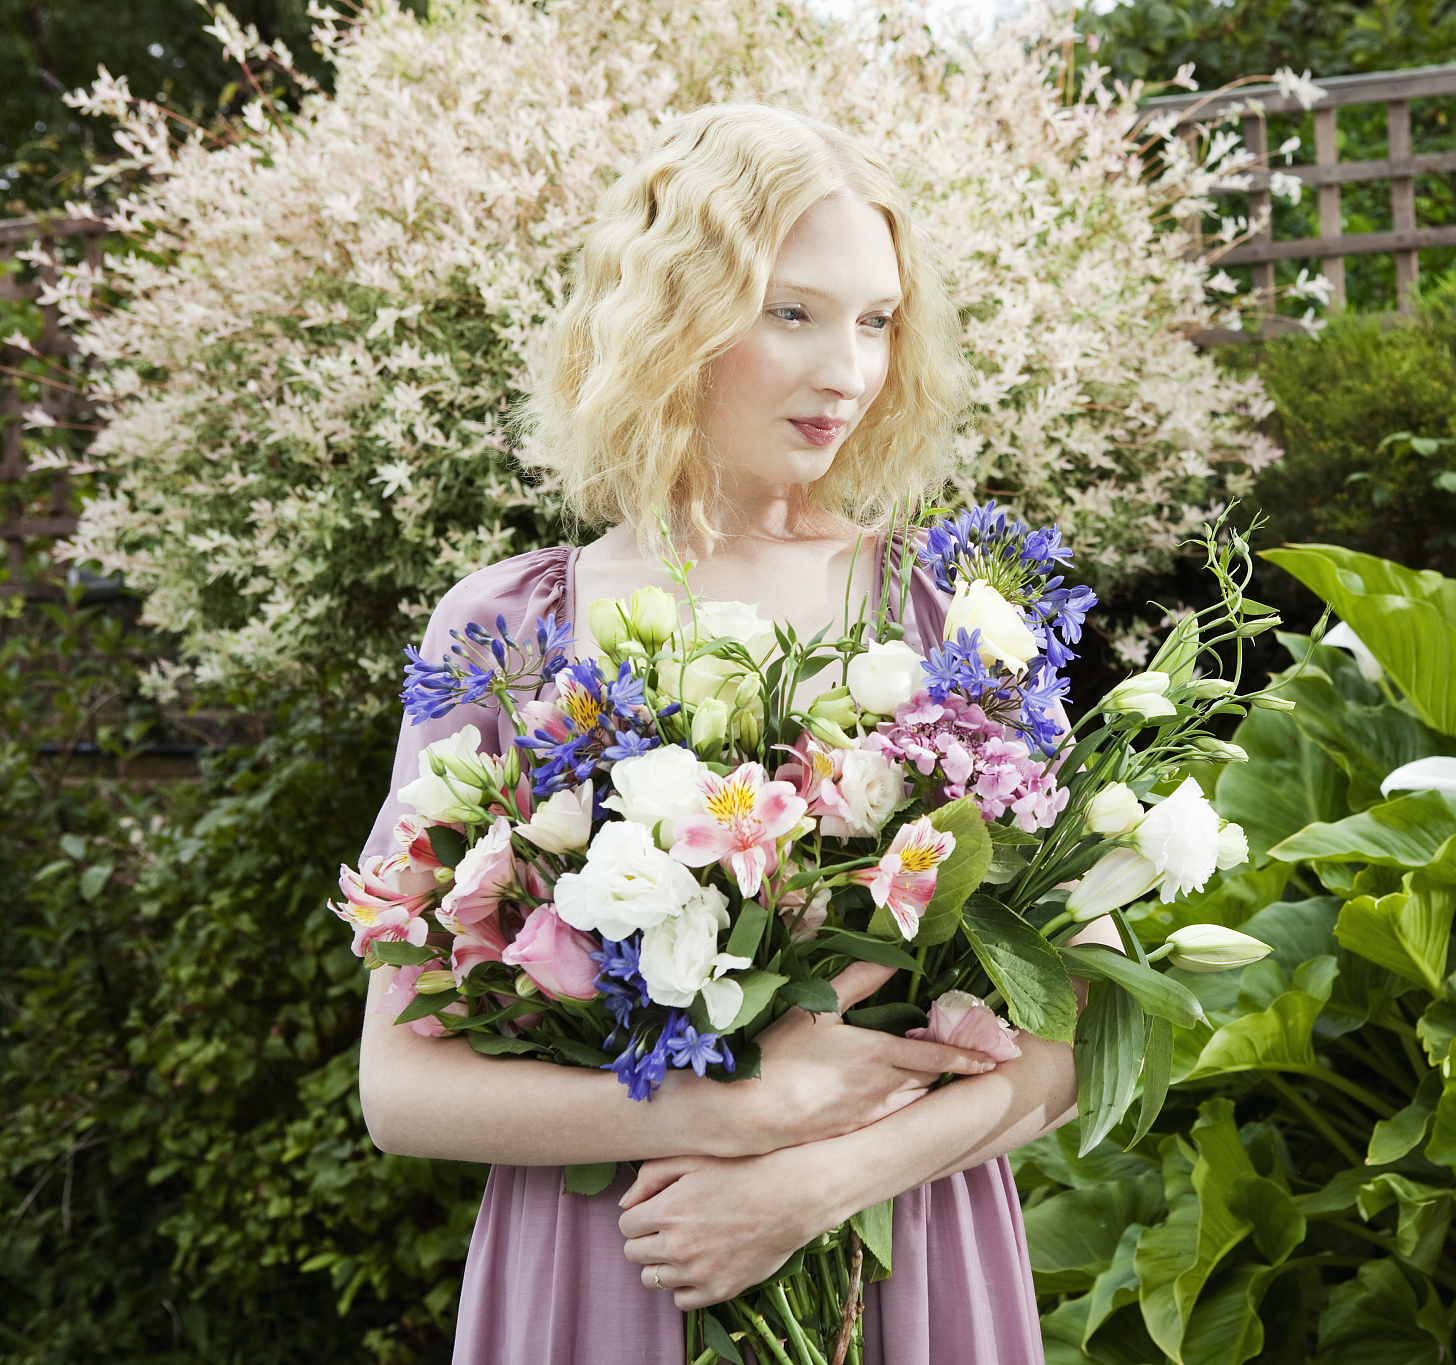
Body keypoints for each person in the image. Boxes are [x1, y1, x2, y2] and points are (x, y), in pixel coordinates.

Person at [355, 104, 1120, 1363]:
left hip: (900, 1249)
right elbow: (402, 1090)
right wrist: (735, 1115)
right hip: (619, 1252)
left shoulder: (943, 616)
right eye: (792, 312)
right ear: (672, 316)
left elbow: (1061, 1045)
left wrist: (813, 1182)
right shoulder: (509, 629)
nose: (848, 372)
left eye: (876, 322)